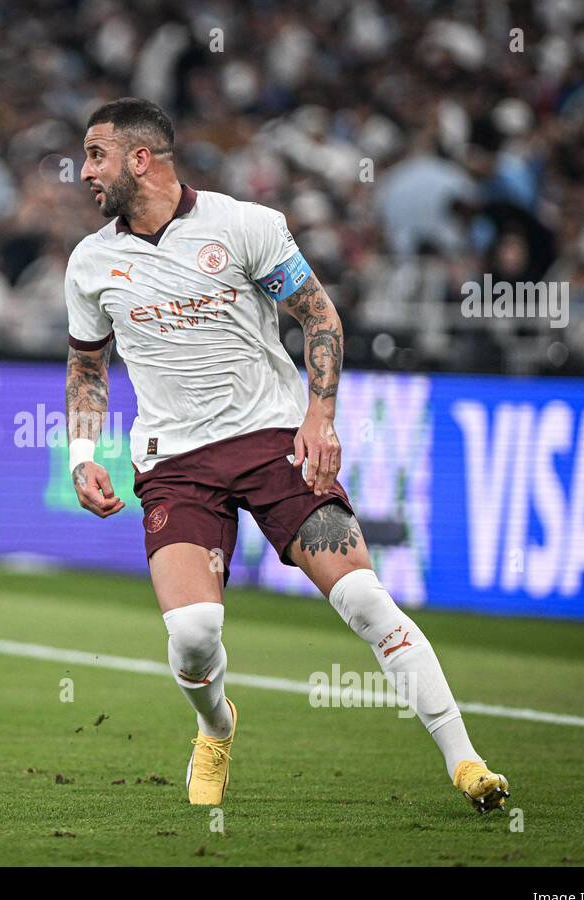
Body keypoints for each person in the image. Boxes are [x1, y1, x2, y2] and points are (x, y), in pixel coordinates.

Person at [63, 97, 509, 812]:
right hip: (175, 462)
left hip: (272, 443)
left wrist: (320, 415)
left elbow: (319, 315)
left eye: (95, 154)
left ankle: (467, 763)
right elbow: (88, 367)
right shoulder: (91, 262)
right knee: (194, 634)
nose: (83, 171)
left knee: (364, 596)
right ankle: (216, 727)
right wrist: (82, 453)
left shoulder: (243, 226)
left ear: (139, 159)